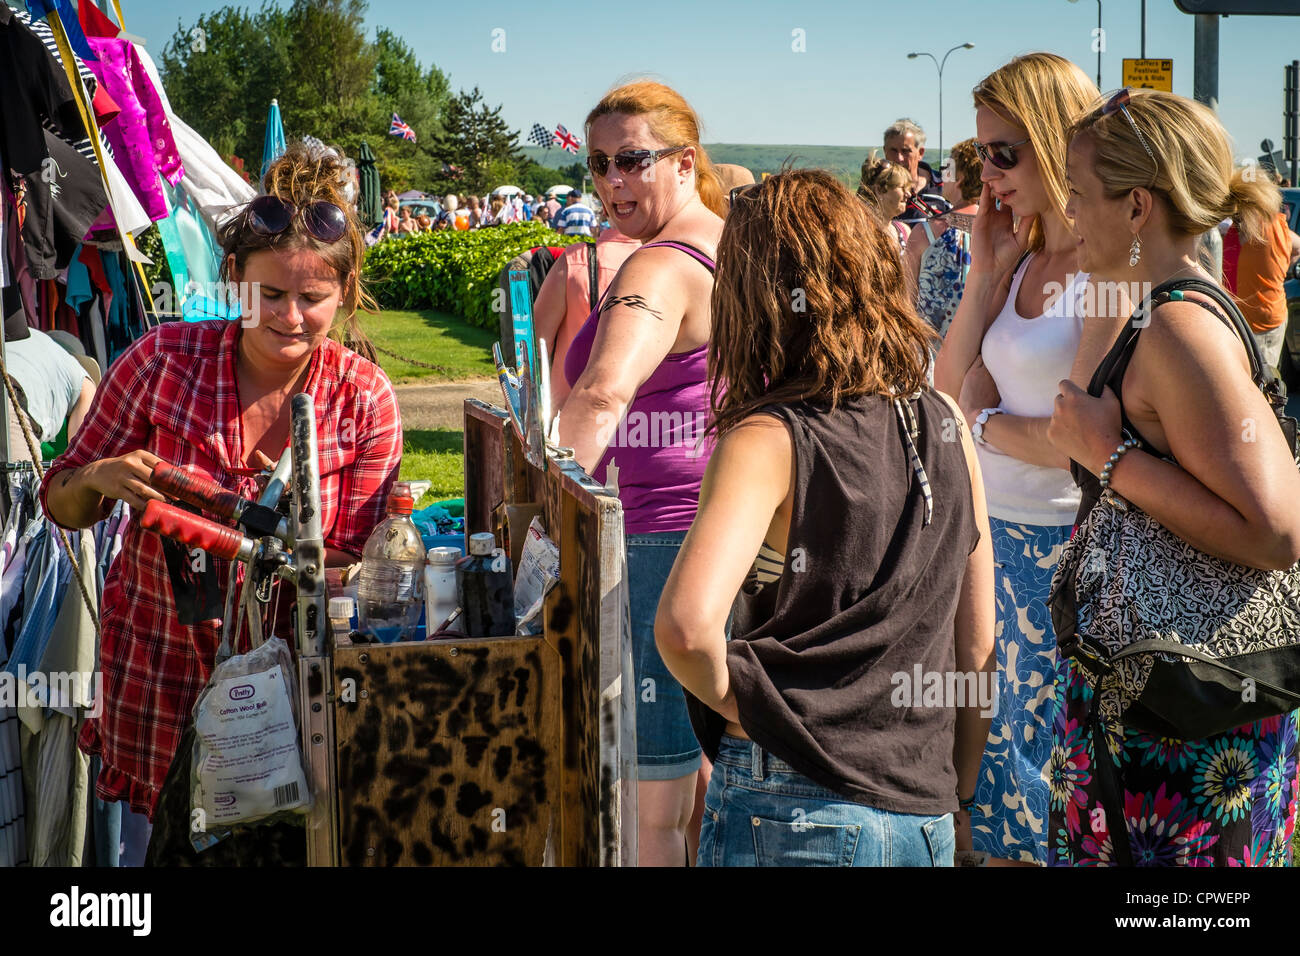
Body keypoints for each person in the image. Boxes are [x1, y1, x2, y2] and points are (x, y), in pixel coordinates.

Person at [40, 142, 404, 825]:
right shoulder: (161, 361)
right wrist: (101, 476)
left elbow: (353, 563)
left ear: (346, 293)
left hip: (298, 697)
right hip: (161, 673)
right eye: (269, 295)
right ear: (233, 278)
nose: (290, 317)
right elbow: (60, 501)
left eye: (313, 298)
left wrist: (296, 545)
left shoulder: (362, 398)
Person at [655, 169, 995, 868]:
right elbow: (976, 640)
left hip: (792, 805)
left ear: (752, 297)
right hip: (921, 806)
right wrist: (957, 791)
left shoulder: (766, 440)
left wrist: (761, 717)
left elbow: (685, 630)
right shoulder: (946, 421)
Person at [1048, 87, 1300, 867]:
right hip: (1162, 699)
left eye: (1079, 193)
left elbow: (1278, 528)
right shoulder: (1149, 306)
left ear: (1137, 208)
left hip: (1186, 722)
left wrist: (1113, 459)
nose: (1067, 212)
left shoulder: (1179, 329)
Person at [932, 52, 1105, 867]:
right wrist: (987, 274)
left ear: (1054, 140)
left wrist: (987, 418)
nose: (987, 172)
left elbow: (1085, 441)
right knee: (997, 773)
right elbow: (945, 383)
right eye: (978, 155)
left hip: (1065, 551)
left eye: (1003, 152)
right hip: (989, 536)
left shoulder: (1111, 270)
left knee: (1054, 779)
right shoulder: (1023, 257)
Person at [559, 79, 726, 867]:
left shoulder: (655, 268)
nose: (611, 182)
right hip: (715, 537)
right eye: (598, 165)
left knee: (646, 813)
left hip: (654, 541)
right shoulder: (728, 246)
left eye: (631, 160)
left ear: (685, 162)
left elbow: (600, 394)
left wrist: (538, 516)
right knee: (691, 798)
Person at [534, 224, 641, 408]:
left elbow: (537, 343)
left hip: (569, 408)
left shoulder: (576, 259)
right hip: (640, 413)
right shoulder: (669, 263)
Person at [905, 138, 981, 338]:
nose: (942, 174)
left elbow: (906, 301)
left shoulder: (925, 233)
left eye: (947, 167)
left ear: (961, 178)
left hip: (930, 350)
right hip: (981, 350)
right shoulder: (1001, 231)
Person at [1223, 202, 1300, 370]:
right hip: (1251, 319)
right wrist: (1282, 270)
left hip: (1259, 323)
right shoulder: (1275, 225)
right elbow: (1297, 247)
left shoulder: (1260, 227)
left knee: (1261, 381)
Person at [3, 325, 96, 462]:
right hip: (13, 401)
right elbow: (81, 456)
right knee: (18, 481)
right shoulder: (82, 378)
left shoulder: (27, 338)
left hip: (12, 390)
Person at [884, 118, 939, 224]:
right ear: (884, 151)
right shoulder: (875, 187)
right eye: (893, 150)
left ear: (920, 153)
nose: (899, 158)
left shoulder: (943, 185)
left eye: (905, 151)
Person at [858, 154, 912, 252]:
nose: (908, 194)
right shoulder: (858, 233)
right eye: (902, 187)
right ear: (879, 190)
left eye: (908, 188)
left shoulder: (904, 231)